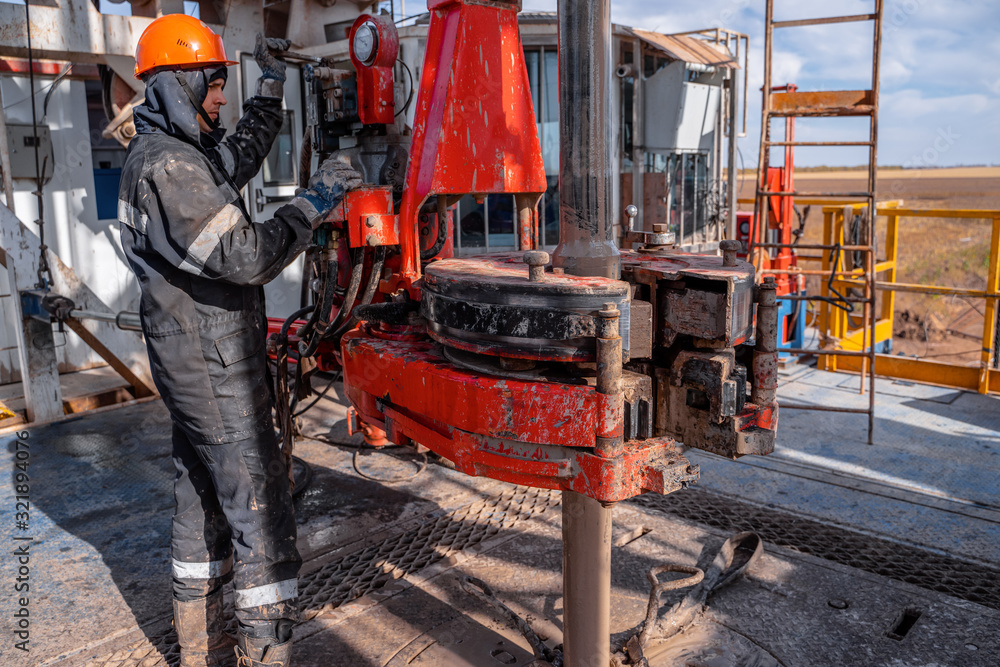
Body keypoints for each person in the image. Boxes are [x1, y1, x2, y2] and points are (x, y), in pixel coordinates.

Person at [118, 14, 361, 667]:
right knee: (261, 513)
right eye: (215, 83)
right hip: (213, 362)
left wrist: (271, 89)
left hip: (190, 360)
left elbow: (236, 157)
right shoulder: (169, 169)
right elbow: (245, 253)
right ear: (176, 83)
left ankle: (203, 651)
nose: (221, 97)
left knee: (201, 499)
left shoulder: (172, 156)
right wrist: (315, 201)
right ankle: (261, 654)